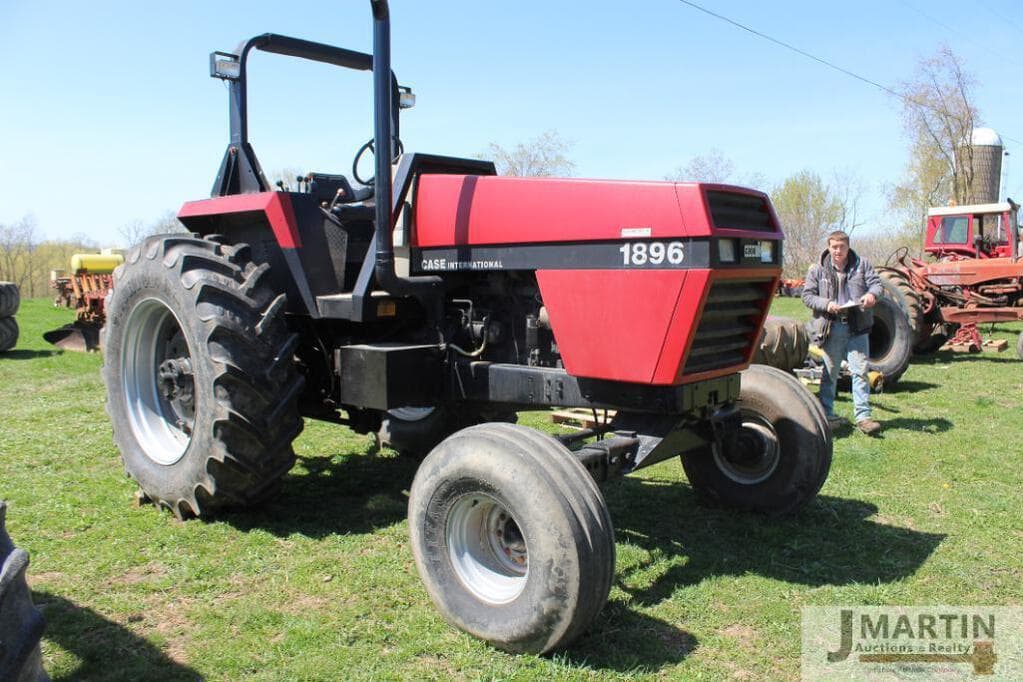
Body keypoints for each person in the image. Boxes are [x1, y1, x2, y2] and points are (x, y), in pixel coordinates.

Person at [802, 230, 883, 435]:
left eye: (842, 247)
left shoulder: (862, 265)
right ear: (829, 247)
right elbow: (807, 296)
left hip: (857, 326)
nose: (838, 251)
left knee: (860, 371)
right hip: (832, 326)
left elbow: (877, 285)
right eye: (834, 247)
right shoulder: (817, 269)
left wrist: (872, 295)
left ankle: (863, 418)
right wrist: (827, 304)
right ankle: (827, 415)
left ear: (848, 247)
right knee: (830, 373)